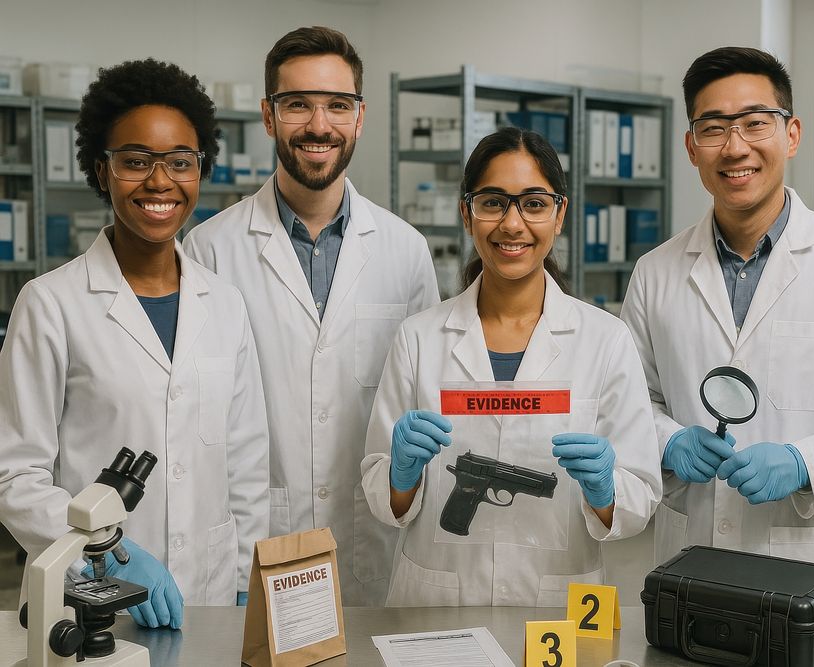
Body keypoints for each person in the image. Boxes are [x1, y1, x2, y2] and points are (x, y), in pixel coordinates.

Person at [620, 46, 814, 605]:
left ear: (791, 135)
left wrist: (804, 462)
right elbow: (629, 402)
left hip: (809, 557)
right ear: (691, 147)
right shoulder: (654, 273)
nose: (735, 146)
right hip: (688, 551)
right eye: (713, 128)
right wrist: (668, 442)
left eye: (755, 123)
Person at [0, 59, 269, 628]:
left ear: (201, 169)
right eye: (135, 161)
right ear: (102, 171)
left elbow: (244, 461)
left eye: (179, 162)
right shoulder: (50, 304)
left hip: (207, 594)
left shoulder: (225, 304)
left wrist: (248, 580)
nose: (159, 181)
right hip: (87, 597)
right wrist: (108, 548)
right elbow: (14, 477)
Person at [183, 26, 438, 607]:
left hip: (374, 540)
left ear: (360, 117)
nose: (319, 125)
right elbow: (198, 425)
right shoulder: (210, 251)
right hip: (260, 543)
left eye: (337, 105)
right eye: (297, 103)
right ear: (269, 116)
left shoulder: (405, 250)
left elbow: (419, 404)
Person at [361, 127, 662, 607]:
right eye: (494, 202)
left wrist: (607, 489)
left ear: (559, 214)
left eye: (535, 203)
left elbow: (640, 498)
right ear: (467, 212)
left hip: (556, 607)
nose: (513, 224)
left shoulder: (605, 340)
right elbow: (382, 496)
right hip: (437, 600)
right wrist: (400, 476)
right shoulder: (419, 338)